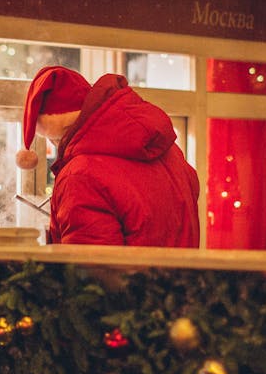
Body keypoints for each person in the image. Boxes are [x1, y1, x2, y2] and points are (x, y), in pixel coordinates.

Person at [15, 66, 200, 247]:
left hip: (134, 278)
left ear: (59, 134)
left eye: (52, 140)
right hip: (184, 277)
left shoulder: (80, 176)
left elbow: (90, 271)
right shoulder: (170, 152)